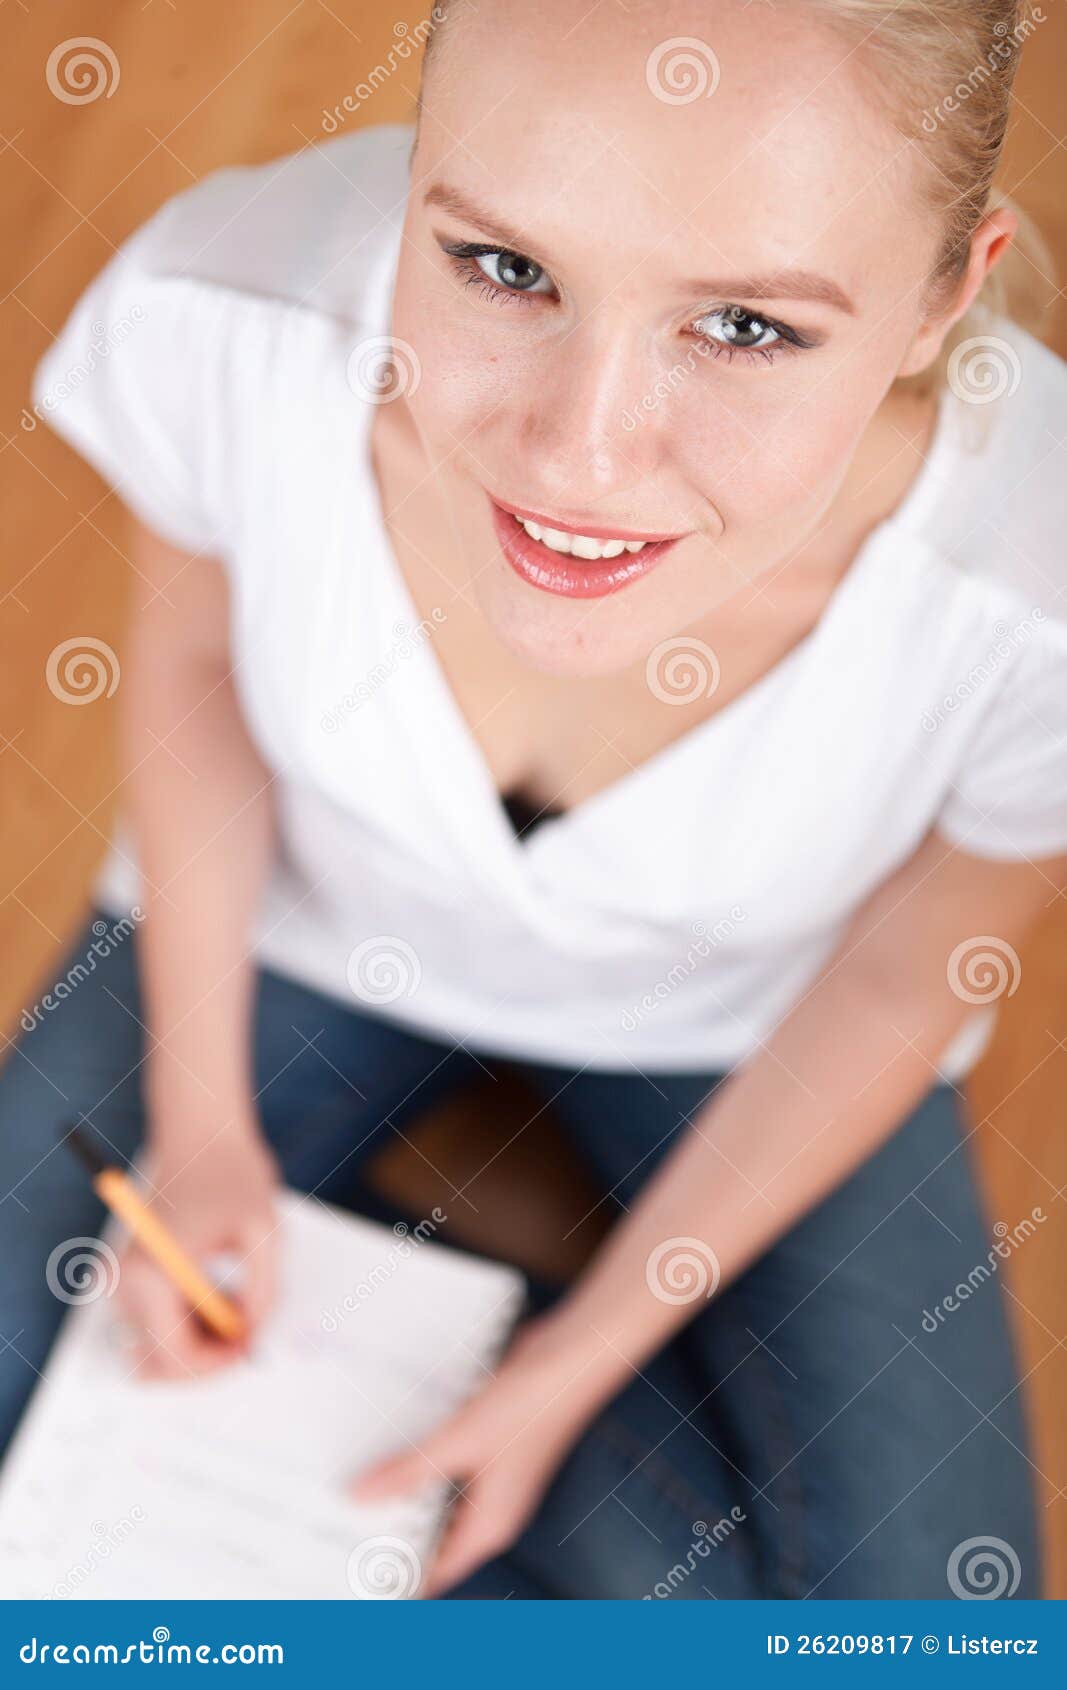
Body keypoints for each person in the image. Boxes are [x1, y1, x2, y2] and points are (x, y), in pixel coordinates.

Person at [3, 0, 1065, 1599]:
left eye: (747, 328)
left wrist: (583, 1357)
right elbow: (195, 665)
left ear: (943, 297)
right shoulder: (223, 315)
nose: (578, 459)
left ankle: (473, 1306)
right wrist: (204, 1129)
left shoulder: (1037, 588)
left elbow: (914, 967)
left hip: (749, 1024)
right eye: (503, 266)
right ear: (414, 173)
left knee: (927, 1627)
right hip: (297, 921)